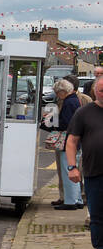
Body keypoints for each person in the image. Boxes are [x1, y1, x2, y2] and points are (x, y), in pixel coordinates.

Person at [66, 77, 103, 249]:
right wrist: (72, 167)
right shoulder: (83, 113)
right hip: (94, 171)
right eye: (101, 90)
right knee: (96, 213)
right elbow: (72, 141)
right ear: (95, 91)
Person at [45, 79, 83, 210]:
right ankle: (77, 199)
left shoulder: (68, 102)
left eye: (57, 92)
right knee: (74, 170)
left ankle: (70, 201)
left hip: (68, 142)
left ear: (62, 91)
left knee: (68, 171)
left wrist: (49, 123)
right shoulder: (75, 100)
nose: (57, 95)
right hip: (76, 141)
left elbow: (65, 123)